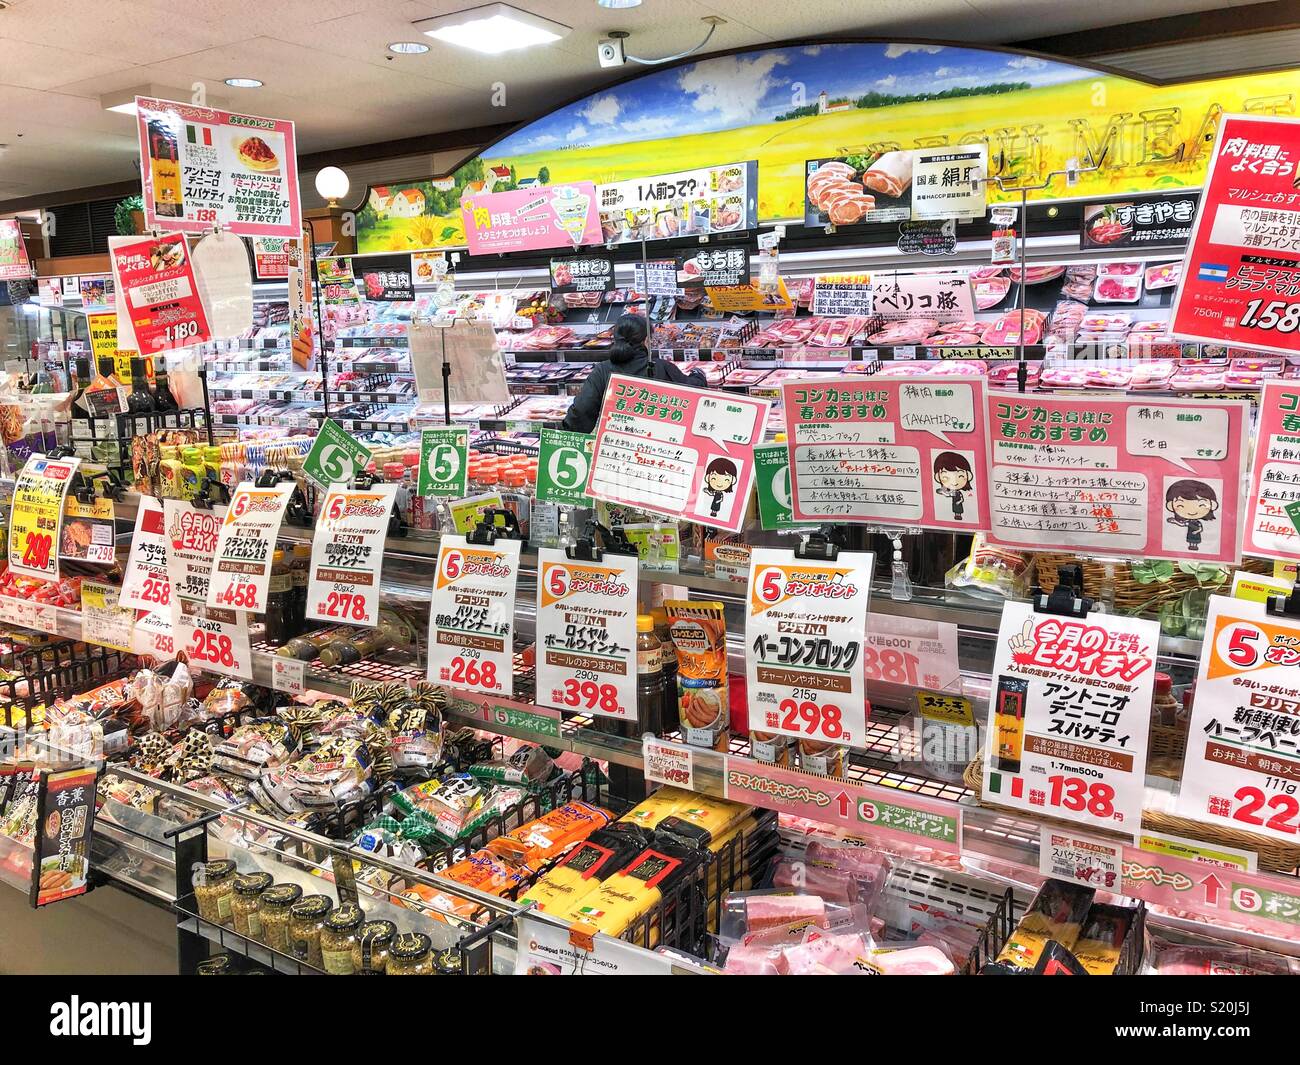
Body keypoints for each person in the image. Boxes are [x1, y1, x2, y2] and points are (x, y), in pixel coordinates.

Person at [560, 313, 706, 434]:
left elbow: (582, 410)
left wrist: (565, 435)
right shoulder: (661, 367)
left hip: (616, 443)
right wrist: (697, 374)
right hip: (658, 444)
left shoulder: (602, 370)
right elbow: (693, 391)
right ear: (646, 341)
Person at [1165, 479, 1218, 551]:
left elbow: (1200, 528)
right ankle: (1191, 546)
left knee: (1194, 540)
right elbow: (1182, 524)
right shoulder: (1189, 522)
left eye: (1201, 505)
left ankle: (1195, 546)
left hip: (1196, 534)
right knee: (1191, 540)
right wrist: (1174, 521)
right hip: (1190, 534)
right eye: (1181, 506)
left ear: (1212, 505)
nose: (1192, 511)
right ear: (1171, 506)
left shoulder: (1197, 523)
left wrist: (1197, 531)